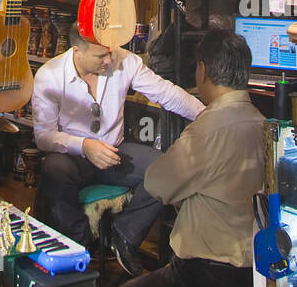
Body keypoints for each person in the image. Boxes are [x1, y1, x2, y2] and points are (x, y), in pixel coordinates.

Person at [83, 29, 267, 287]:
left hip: (205, 276)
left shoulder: (207, 129)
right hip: (257, 276)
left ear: (204, 71)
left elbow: (158, 183)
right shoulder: (264, 124)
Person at [32, 24, 204, 274]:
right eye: (101, 56)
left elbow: (166, 93)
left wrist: (208, 115)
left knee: (169, 169)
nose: (109, 59)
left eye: (110, 52)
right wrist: (85, 146)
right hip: (72, 157)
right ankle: (79, 248)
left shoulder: (124, 61)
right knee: (53, 168)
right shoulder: (49, 75)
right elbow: (43, 137)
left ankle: (125, 235)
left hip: (114, 153)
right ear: (77, 51)